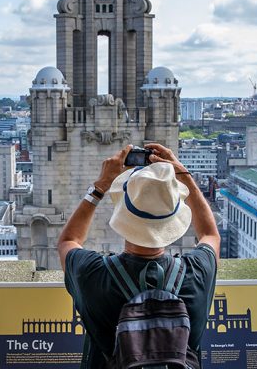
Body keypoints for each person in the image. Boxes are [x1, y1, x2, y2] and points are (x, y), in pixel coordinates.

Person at [58, 143, 220, 368]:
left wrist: (100, 187)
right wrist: (183, 176)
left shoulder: (94, 274)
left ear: (124, 213)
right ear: (173, 218)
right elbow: (210, 234)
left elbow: (68, 241)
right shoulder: (197, 273)